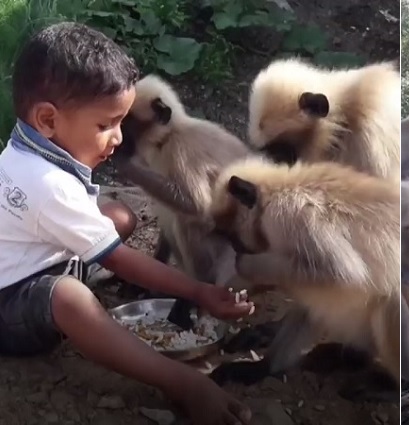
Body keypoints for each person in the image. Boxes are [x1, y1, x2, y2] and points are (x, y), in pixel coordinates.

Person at [0, 22, 254, 425]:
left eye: (121, 123)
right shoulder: (47, 185)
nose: (117, 138)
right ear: (48, 120)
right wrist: (198, 290)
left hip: (28, 259)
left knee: (118, 216)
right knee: (69, 297)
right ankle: (182, 383)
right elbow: (121, 259)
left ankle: (79, 277)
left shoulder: (28, 148)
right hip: (10, 306)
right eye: (105, 125)